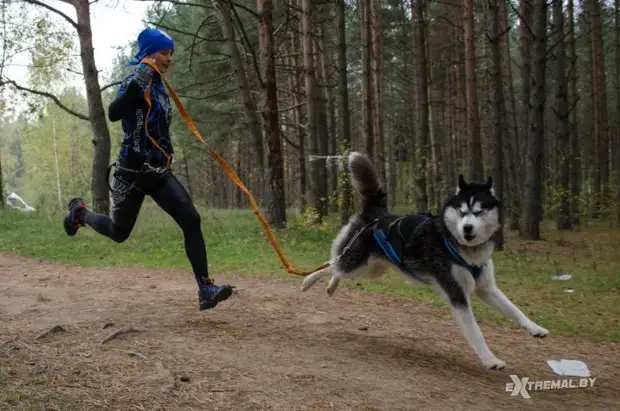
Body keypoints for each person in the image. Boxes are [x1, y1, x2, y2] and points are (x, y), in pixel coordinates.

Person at [63, 27, 234, 311]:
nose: (170, 59)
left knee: (191, 219)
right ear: (149, 55)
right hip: (131, 172)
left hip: (158, 171)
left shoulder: (159, 87)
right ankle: (79, 212)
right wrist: (135, 86)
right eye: (164, 53)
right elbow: (114, 113)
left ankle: (205, 289)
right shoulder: (135, 78)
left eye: (171, 54)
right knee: (119, 233)